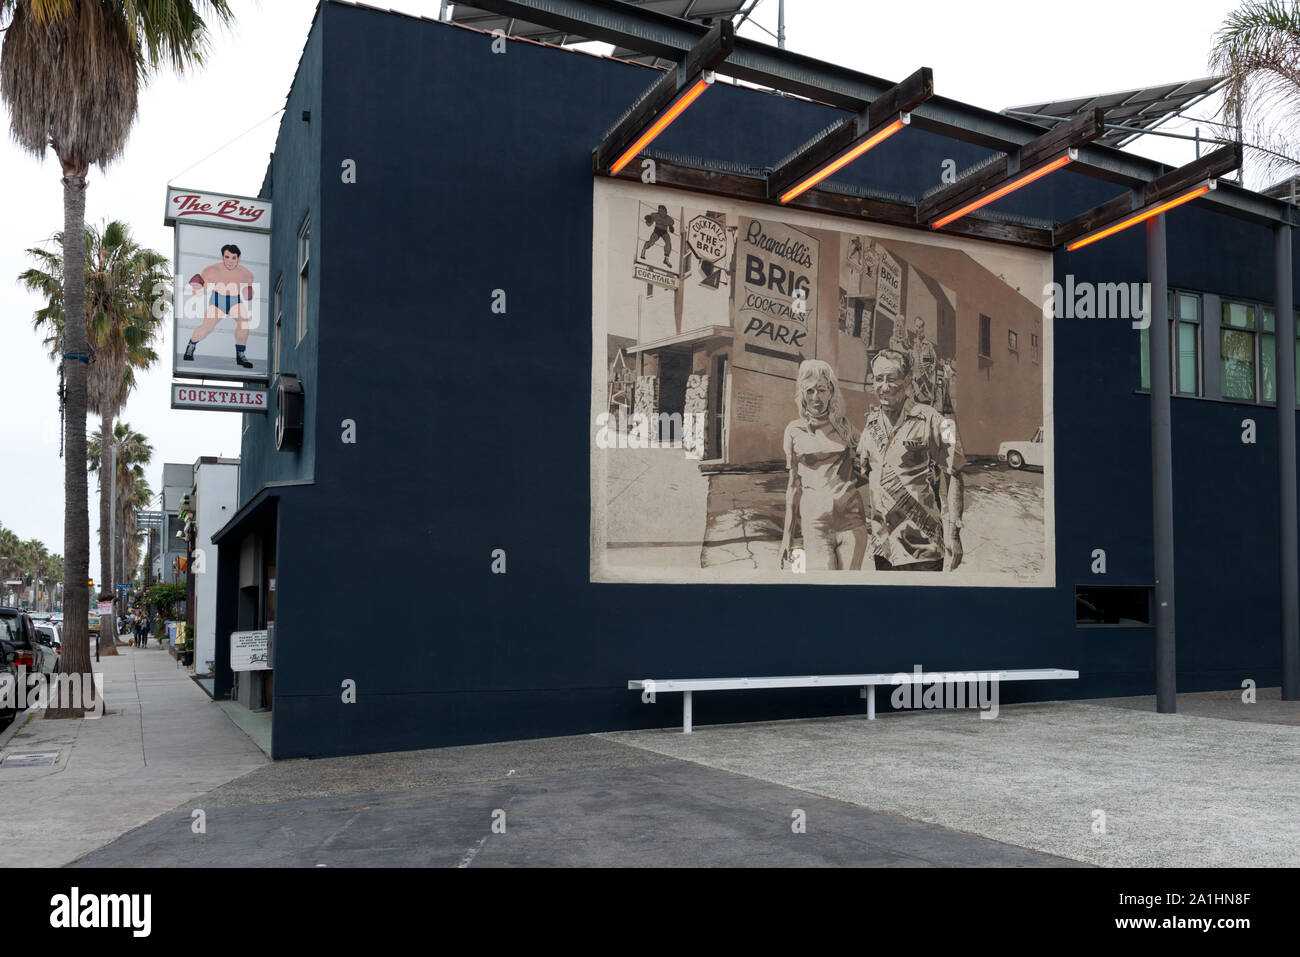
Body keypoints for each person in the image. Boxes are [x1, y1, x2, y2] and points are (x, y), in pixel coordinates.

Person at [858, 349, 965, 571]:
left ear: (906, 380)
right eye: (878, 379)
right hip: (883, 546)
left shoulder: (933, 418)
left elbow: (955, 472)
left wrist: (954, 533)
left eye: (891, 379)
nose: (884, 387)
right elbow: (863, 472)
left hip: (922, 545)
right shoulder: (870, 425)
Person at [779, 359, 869, 571]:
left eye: (821, 390)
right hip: (815, 526)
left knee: (850, 587)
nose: (816, 397)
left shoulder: (845, 427)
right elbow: (793, 486)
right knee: (824, 586)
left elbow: (872, 462)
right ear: (802, 394)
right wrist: (787, 537)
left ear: (831, 392)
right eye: (810, 391)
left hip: (852, 524)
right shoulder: (794, 431)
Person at [184, 243, 256, 369]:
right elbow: (200, 291)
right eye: (227, 257)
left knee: (244, 323)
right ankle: (191, 345)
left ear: (238, 258)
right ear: (222, 256)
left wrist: (249, 292)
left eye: (233, 258)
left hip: (235, 300)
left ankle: (240, 355)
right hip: (218, 299)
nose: (230, 261)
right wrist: (197, 288)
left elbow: (248, 292)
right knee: (207, 327)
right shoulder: (211, 270)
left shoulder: (246, 274)